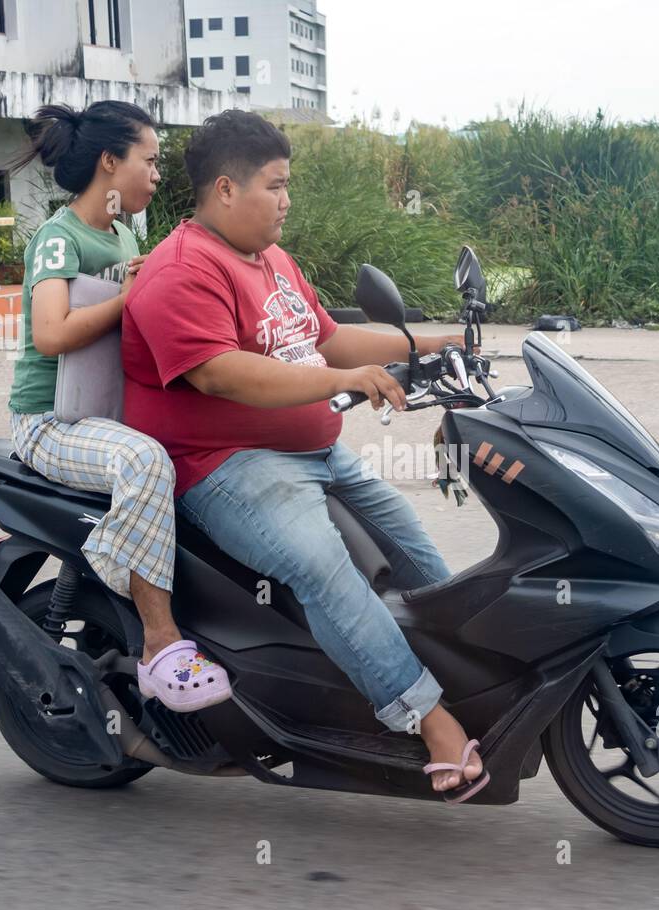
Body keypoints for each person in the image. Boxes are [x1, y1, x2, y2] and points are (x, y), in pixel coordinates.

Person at [121, 110, 489, 802]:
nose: (287, 200)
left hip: (317, 454)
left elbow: (327, 341)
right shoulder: (180, 269)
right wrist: (340, 383)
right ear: (226, 189)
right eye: (276, 185)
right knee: (321, 564)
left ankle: (473, 679)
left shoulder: (273, 260)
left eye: (289, 185)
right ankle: (424, 717)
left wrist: (430, 345)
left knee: (417, 558)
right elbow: (222, 373)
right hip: (226, 465)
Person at [7, 101, 230, 712]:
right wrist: (128, 297)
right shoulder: (58, 239)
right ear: (110, 161)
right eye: (149, 161)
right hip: (50, 422)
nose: (157, 174)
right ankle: (161, 645)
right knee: (147, 462)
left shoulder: (124, 233)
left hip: (104, 410)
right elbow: (51, 334)